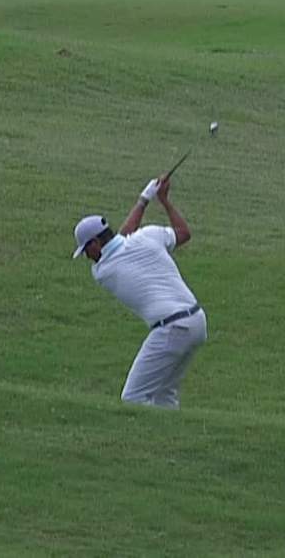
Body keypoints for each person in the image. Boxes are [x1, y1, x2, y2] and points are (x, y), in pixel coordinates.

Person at [70, 174, 207, 408]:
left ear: (95, 244)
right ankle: (169, 439)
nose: (87, 257)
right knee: (165, 396)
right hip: (197, 321)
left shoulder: (103, 270)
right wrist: (159, 200)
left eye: (86, 250)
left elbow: (123, 238)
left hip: (171, 328)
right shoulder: (148, 236)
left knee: (132, 398)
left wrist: (144, 200)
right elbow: (183, 233)